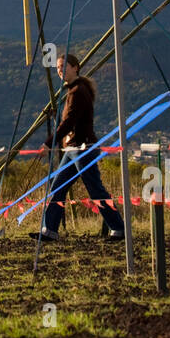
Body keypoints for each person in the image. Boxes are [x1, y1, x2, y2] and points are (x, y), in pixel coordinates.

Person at [34, 53, 126, 242]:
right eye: (58, 68)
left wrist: (48, 143)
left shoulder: (78, 92)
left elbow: (68, 123)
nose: (60, 71)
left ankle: (118, 228)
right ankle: (49, 230)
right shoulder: (73, 91)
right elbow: (68, 123)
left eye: (63, 66)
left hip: (83, 149)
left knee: (95, 190)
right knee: (57, 188)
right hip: (72, 149)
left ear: (75, 67)